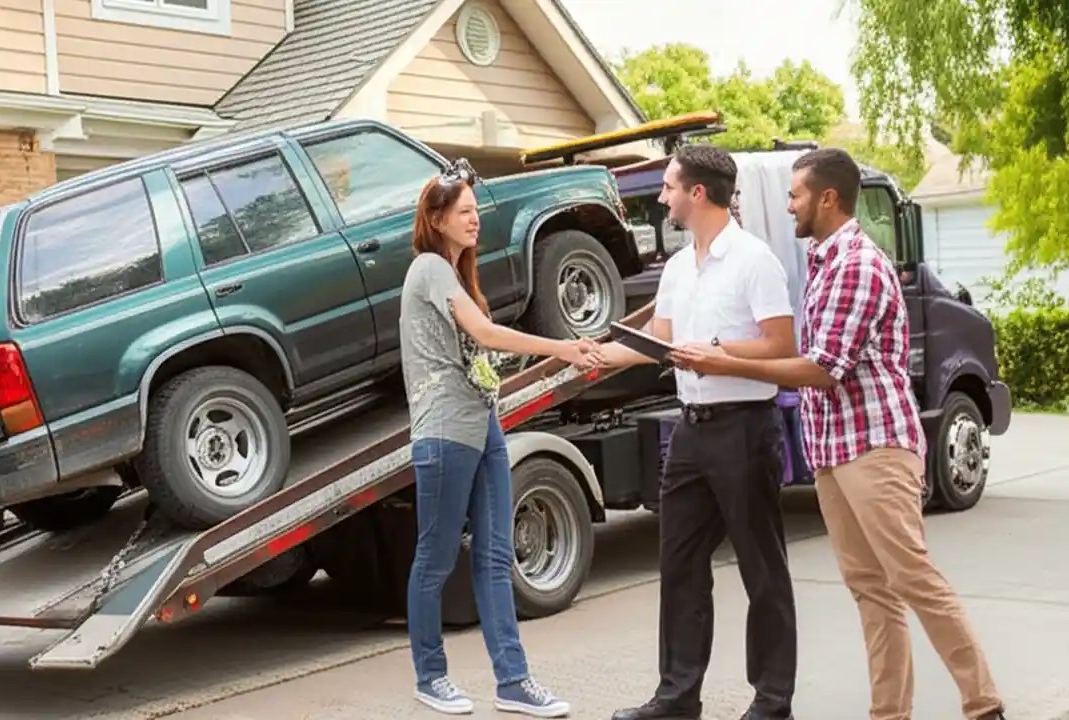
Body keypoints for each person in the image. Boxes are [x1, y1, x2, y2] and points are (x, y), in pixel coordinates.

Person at [670, 147, 1006, 720]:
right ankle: (889, 712)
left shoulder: (856, 263)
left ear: (828, 199)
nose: (789, 205)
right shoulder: (825, 262)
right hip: (834, 452)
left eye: (796, 195)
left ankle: (984, 705)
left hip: (874, 448)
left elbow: (824, 366)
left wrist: (725, 360)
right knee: (871, 590)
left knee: (912, 577)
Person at [598, 144, 800, 720]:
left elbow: (780, 346)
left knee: (762, 567)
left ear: (698, 193)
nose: (662, 196)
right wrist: (592, 355)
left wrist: (714, 352)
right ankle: (677, 697)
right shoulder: (680, 267)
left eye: (668, 186)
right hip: (689, 432)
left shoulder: (755, 260)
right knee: (679, 565)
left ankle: (772, 701)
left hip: (745, 429)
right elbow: (660, 338)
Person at [399, 158, 600, 718]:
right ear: (436, 219)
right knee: (435, 559)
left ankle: (514, 681)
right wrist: (562, 348)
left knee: (494, 555)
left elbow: (481, 351)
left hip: (481, 422)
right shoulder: (430, 269)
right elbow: (484, 333)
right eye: (464, 212)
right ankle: (430, 675)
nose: (475, 221)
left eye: (475, 212)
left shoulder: (457, 277)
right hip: (444, 428)